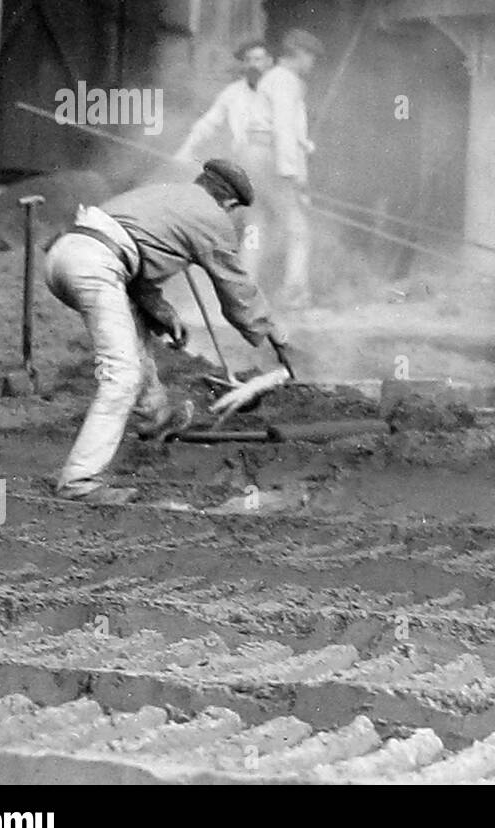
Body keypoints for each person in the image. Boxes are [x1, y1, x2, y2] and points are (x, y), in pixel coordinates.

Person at [44, 159, 292, 501]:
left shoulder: (165, 195)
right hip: (96, 266)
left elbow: (131, 256)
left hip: (66, 255)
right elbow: (236, 287)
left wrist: (162, 311)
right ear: (231, 203)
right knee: (122, 374)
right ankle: (79, 483)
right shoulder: (213, 218)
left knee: (135, 327)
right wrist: (276, 336)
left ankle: (157, 418)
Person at [175, 40, 276, 281]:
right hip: (243, 166)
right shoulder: (233, 93)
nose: (254, 65)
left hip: (271, 168)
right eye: (249, 60)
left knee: (256, 224)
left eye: (259, 59)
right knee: (232, 222)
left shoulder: (278, 91)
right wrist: (185, 151)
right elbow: (208, 124)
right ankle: (220, 281)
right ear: (243, 65)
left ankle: (247, 279)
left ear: (270, 62)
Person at [255, 27, 323, 309]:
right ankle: (295, 296)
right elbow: (283, 129)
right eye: (311, 56)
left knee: (258, 227)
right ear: (298, 53)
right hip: (273, 160)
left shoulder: (273, 78)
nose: (313, 63)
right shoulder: (286, 81)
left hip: (257, 157)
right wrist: (292, 175)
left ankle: (244, 295)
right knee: (298, 231)